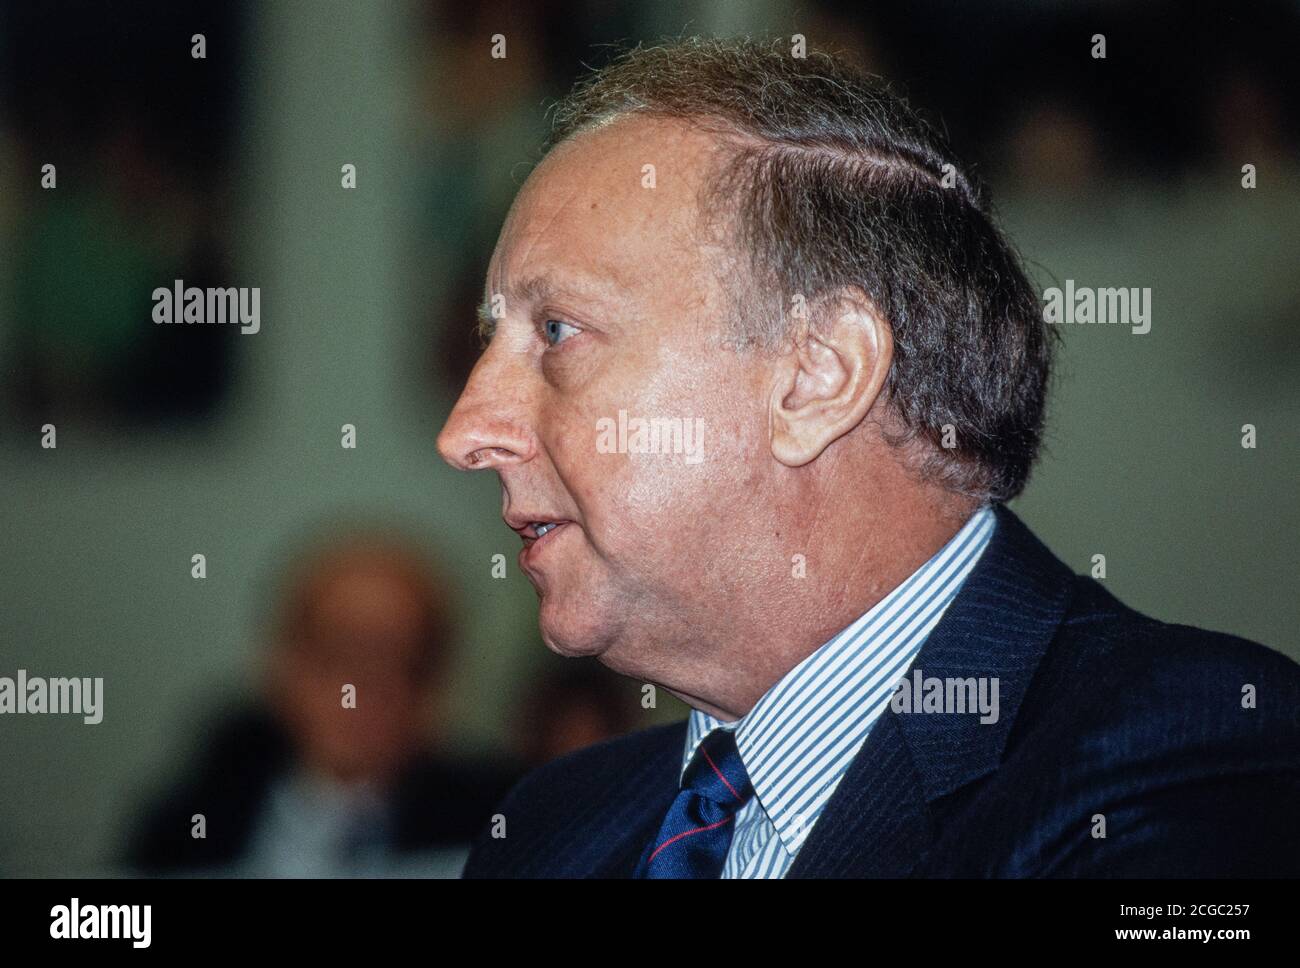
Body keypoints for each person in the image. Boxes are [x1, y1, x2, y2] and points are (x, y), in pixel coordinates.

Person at [435, 39, 1300, 878]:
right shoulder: (547, 833)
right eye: (489, 340)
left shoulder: (1193, 759)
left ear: (819, 376)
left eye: (556, 332)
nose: (467, 430)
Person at [126, 530, 520, 877]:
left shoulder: (497, 826)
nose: (369, 686)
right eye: (342, 654)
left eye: (405, 662)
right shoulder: (189, 827)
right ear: (283, 664)